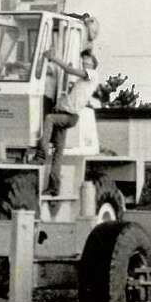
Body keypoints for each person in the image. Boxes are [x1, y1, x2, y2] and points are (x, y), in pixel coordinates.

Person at [40, 48, 98, 196]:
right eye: (83, 59)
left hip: (70, 116)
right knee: (58, 154)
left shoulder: (92, 74)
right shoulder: (82, 80)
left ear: (94, 62)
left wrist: (54, 58)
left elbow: (68, 70)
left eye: (88, 59)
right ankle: (54, 187)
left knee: (49, 119)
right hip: (64, 113)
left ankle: (41, 152)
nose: (85, 61)